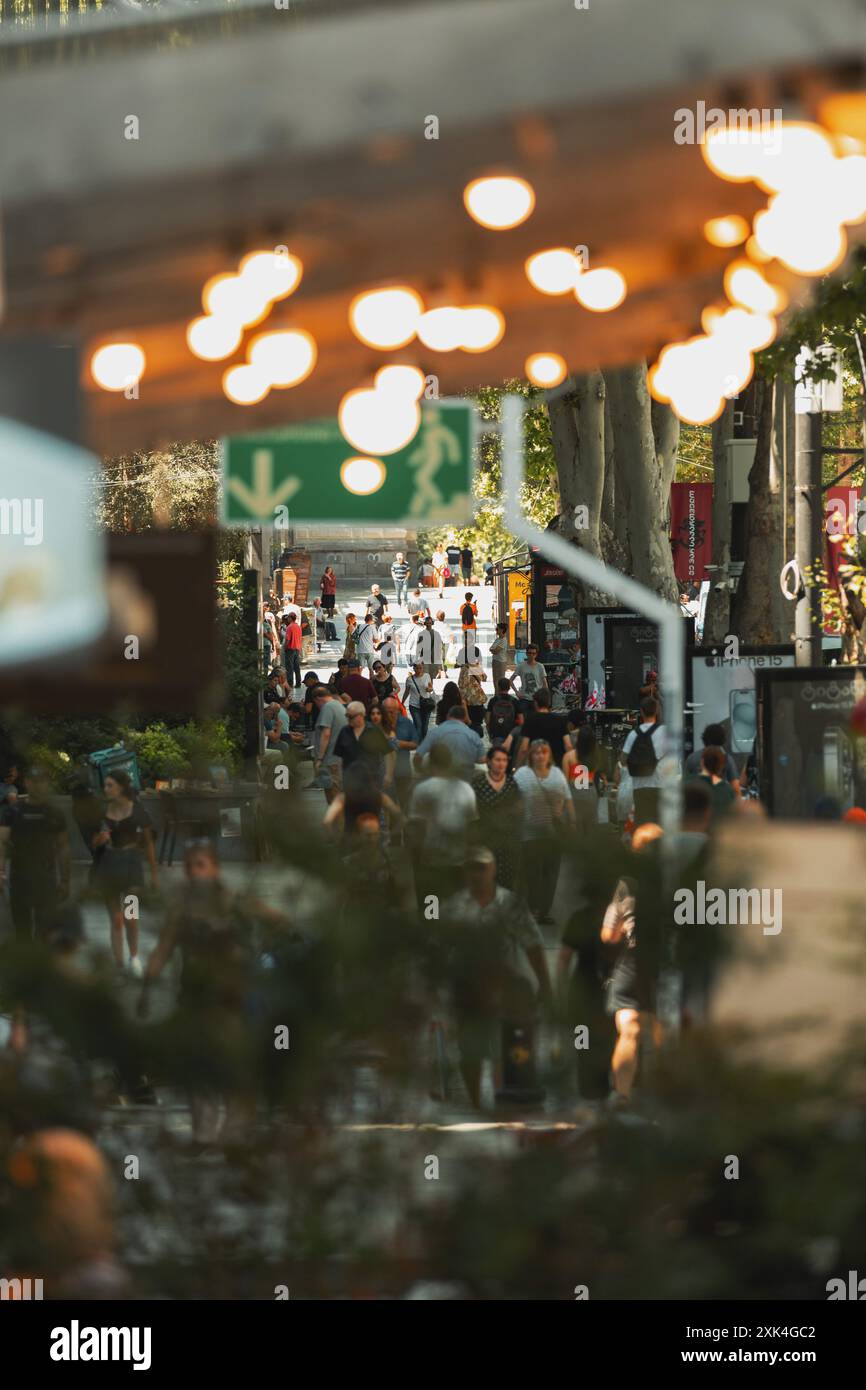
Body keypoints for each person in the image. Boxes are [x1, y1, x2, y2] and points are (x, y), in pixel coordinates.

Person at [442, 847, 552, 1109]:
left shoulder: (510, 904)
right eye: (471, 868)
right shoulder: (453, 907)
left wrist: (544, 985)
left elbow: (533, 945)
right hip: (467, 989)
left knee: (502, 1047)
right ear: (464, 872)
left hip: (506, 988)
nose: (477, 874)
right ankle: (476, 1103)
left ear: (492, 870)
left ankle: (502, 1099)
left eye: (482, 868)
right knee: (470, 1050)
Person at [601, 822, 665, 1101]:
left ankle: (621, 1098)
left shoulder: (628, 884)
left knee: (629, 1031)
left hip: (632, 963)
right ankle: (667, 1099)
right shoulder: (679, 879)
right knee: (665, 1036)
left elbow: (608, 934)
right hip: (666, 963)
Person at [90, 770, 158, 976]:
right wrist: (99, 840)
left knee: (131, 917)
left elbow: (148, 844)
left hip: (131, 866)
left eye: (110, 785)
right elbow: (94, 843)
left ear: (120, 787)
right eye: (105, 785)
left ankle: (134, 957)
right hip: (109, 864)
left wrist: (154, 874)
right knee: (116, 920)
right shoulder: (102, 812)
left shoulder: (137, 811)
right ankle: (119, 964)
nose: (106, 789)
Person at [0, 765, 70, 942]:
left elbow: (63, 847)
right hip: (19, 876)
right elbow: (1, 842)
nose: (38, 786)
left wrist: (65, 880)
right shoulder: (14, 811)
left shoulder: (54, 812)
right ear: (27, 783)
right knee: (22, 929)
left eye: (42, 781)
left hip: (45, 876)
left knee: (44, 929)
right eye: (34, 781)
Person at [408, 743, 477, 910]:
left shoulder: (422, 790)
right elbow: (472, 826)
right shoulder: (465, 789)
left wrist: (415, 859)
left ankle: (431, 931)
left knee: (431, 905)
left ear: (431, 763)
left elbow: (416, 827)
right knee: (454, 905)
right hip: (457, 859)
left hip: (430, 859)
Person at [513, 739, 574, 924]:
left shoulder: (556, 774)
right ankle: (532, 908)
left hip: (552, 833)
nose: (540, 755)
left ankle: (544, 910)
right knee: (532, 873)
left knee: (550, 874)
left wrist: (571, 820)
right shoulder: (522, 774)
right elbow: (514, 801)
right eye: (536, 752)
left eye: (544, 752)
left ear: (549, 755)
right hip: (528, 833)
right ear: (531, 755)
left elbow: (567, 798)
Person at [471, 745, 521, 888]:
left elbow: (518, 810)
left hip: (508, 842)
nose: (501, 764)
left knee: (506, 881)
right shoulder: (479, 783)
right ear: (489, 762)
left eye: (504, 760)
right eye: (498, 760)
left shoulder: (512, 783)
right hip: (486, 840)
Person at [620, 695, 670, 827]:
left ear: (641, 712)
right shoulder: (665, 732)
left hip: (639, 786)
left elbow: (623, 759)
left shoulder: (633, 734)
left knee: (642, 824)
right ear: (657, 711)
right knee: (659, 824)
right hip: (660, 785)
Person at [414, 704, 485, 782]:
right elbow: (482, 759)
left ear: (448, 716)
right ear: (465, 718)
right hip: (465, 778)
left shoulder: (435, 732)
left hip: (441, 777)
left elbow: (418, 756)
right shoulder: (473, 735)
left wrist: (421, 772)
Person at [334, 701, 393, 785]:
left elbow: (388, 753)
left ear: (361, 715)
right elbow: (339, 757)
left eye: (351, 716)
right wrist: (340, 776)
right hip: (350, 780)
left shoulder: (374, 731)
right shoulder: (344, 731)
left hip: (372, 779)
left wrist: (388, 775)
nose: (348, 719)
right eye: (347, 716)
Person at [562, 723, 608, 829]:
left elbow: (564, 781)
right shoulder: (595, 755)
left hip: (574, 791)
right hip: (590, 791)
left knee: (574, 825)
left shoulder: (569, 756)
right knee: (590, 826)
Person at [515, 686, 572, 768]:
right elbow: (568, 746)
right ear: (549, 703)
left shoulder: (530, 720)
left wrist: (517, 767)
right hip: (556, 766)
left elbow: (523, 748)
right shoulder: (560, 720)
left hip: (536, 766)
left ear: (536, 703)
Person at [311, 685, 348, 803]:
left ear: (318, 699)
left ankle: (338, 821)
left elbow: (326, 734)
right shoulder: (339, 706)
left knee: (333, 798)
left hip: (331, 760)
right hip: (340, 758)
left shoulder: (327, 708)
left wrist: (320, 758)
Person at [381, 696, 418, 814]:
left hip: (403, 771)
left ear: (397, 710)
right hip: (384, 773)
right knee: (389, 808)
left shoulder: (406, 723)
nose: (389, 714)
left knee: (405, 804)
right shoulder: (378, 724)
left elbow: (415, 744)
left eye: (392, 711)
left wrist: (399, 744)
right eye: (386, 711)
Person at [684, 722, 741, 792]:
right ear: (723, 739)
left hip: (698, 799)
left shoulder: (692, 758)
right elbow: (735, 787)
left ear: (704, 739)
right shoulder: (726, 759)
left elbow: (685, 784)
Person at [691, 744, 738, 824]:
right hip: (720, 833)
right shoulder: (727, 790)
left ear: (702, 762)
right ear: (721, 766)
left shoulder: (690, 785)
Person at [486, 677, 522, 754]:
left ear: (498, 687)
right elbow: (522, 721)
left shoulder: (493, 701)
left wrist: (490, 734)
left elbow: (487, 720)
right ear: (509, 688)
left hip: (496, 734)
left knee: (497, 755)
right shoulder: (514, 701)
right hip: (511, 734)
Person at [403, 658, 436, 741]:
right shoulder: (409, 679)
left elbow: (430, 688)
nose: (419, 670)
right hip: (414, 705)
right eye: (417, 668)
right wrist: (402, 702)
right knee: (418, 725)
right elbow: (407, 692)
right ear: (414, 668)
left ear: (423, 668)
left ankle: (423, 741)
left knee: (425, 727)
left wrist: (429, 689)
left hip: (426, 705)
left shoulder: (427, 676)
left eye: (420, 668)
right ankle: (418, 743)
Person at [458, 656, 487, 734]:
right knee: (477, 724)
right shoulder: (477, 667)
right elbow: (484, 678)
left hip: (468, 702)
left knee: (469, 725)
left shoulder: (464, 669)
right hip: (478, 700)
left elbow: (460, 684)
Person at [513, 645, 547, 710]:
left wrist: (545, 698)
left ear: (536, 655)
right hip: (524, 698)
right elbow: (511, 680)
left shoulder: (540, 666)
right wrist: (517, 692)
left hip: (536, 698)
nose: (531, 655)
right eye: (529, 653)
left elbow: (545, 683)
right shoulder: (521, 666)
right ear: (526, 654)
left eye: (533, 653)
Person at [282, 611, 303, 690]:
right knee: (296, 666)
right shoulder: (298, 626)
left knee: (289, 667)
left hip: (290, 649)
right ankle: (298, 682)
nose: (287, 620)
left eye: (288, 618)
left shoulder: (289, 627)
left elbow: (287, 639)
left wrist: (285, 647)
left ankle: (290, 683)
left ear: (291, 618)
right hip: (297, 648)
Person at [489, 622, 512, 691]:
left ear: (502, 630)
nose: (496, 630)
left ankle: (500, 695)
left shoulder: (503, 640)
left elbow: (496, 651)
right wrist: (493, 650)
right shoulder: (497, 639)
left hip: (501, 662)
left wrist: (493, 650)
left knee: (500, 680)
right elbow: (491, 649)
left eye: (497, 629)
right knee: (495, 680)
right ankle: (496, 694)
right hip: (495, 661)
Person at [353, 611, 378, 676]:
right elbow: (376, 640)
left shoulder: (359, 626)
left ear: (365, 620)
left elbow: (354, 636)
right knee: (371, 668)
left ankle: (359, 681)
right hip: (369, 650)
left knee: (360, 668)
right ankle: (371, 682)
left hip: (360, 650)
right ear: (371, 620)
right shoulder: (372, 627)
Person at [320, 566, 338, 631]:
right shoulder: (323, 576)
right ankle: (329, 614)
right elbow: (321, 581)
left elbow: (333, 583)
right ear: (326, 570)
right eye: (328, 569)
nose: (329, 571)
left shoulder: (333, 576)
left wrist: (329, 577)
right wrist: (321, 584)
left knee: (331, 604)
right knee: (326, 604)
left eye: (330, 570)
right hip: (325, 591)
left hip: (331, 592)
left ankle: (332, 614)